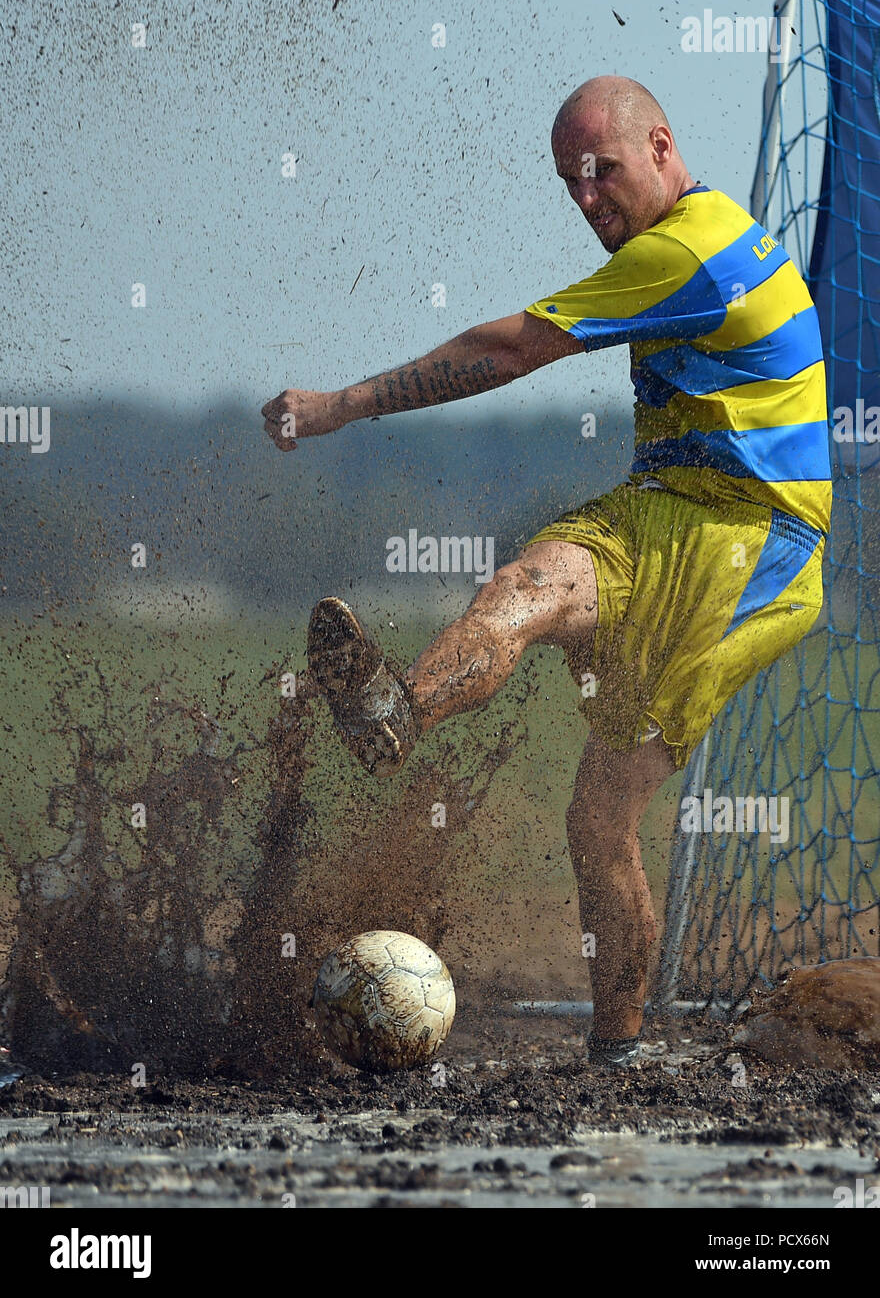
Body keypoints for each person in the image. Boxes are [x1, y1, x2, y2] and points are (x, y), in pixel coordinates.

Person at [261, 76, 831, 1067]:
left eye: (602, 171)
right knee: (521, 588)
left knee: (602, 810)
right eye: (568, 181)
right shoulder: (676, 242)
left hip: (755, 544)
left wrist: (341, 405)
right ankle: (401, 710)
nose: (585, 198)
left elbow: (512, 348)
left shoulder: (689, 249)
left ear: (662, 147)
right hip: (659, 509)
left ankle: (618, 1047)